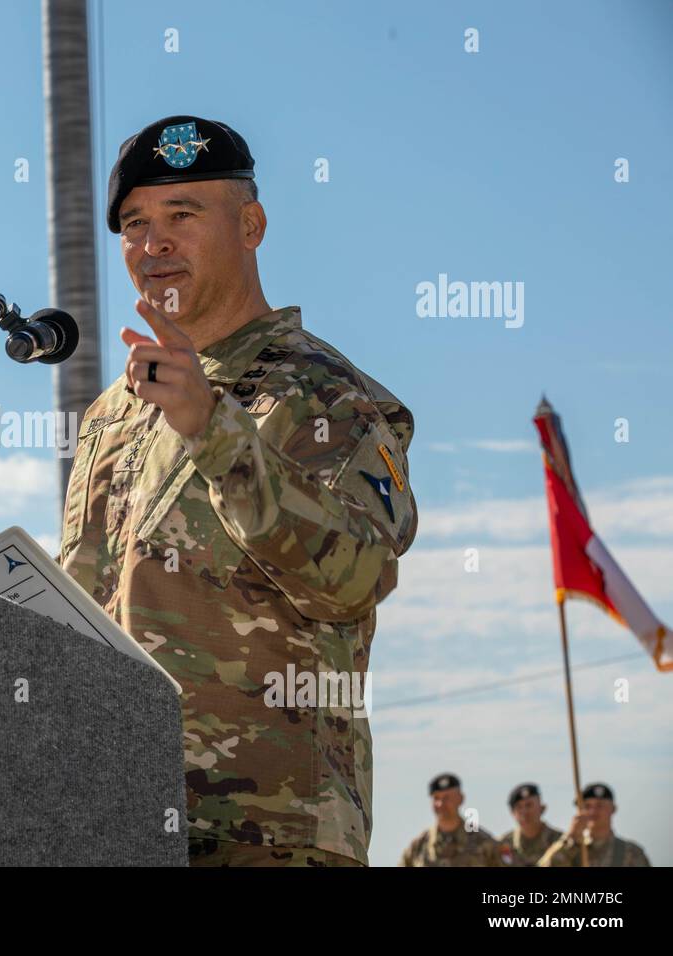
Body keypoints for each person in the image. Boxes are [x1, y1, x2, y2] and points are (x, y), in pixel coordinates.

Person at [59, 115, 417, 866]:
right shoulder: (111, 416)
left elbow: (352, 577)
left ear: (250, 225)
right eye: (134, 223)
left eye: (182, 215)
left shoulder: (326, 394)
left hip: (271, 832)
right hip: (119, 827)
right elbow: (81, 618)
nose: (153, 244)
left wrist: (213, 428)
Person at [399, 773, 517, 867]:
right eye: (436, 798)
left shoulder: (484, 843)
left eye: (447, 797)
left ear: (461, 799)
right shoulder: (419, 846)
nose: (441, 804)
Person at [538, 782, 651, 866]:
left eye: (599, 806)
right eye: (587, 806)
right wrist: (570, 838)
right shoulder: (570, 850)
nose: (593, 812)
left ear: (613, 809)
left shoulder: (631, 852)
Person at [499, 782, 563, 865]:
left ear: (542, 808)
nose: (524, 812)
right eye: (519, 807)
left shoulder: (561, 842)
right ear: (512, 813)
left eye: (529, 805)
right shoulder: (502, 845)